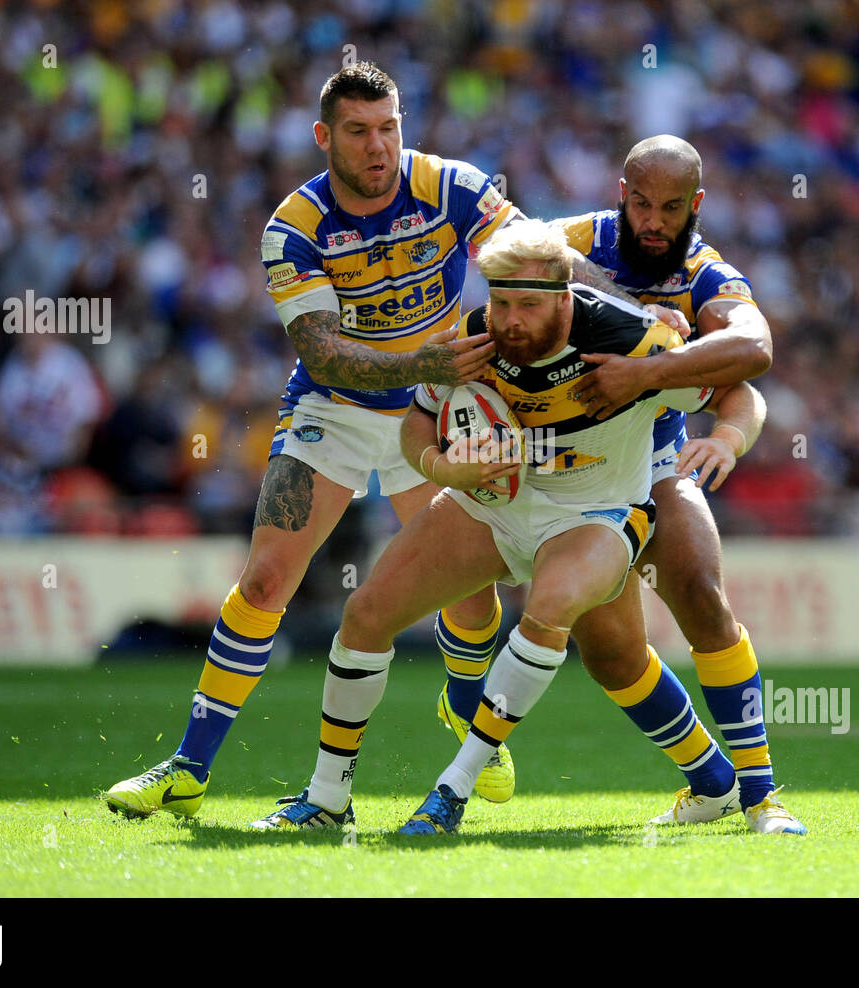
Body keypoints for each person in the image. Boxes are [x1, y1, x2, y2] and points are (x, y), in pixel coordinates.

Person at [251, 219, 768, 835]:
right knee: (364, 614)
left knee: (560, 621)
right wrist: (441, 466)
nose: (510, 320)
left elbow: (740, 392)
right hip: (494, 505)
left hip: (594, 514)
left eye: (527, 304)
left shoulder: (635, 340)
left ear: (565, 295)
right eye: (500, 301)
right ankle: (327, 798)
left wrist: (729, 442)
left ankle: (453, 790)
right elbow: (419, 422)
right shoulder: (475, 335)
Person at [102, 61, 519, 821]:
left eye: (389, 128)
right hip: (336, 405)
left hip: (433, 407)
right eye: (358, 132)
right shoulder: (293, 227)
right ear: (325, 137)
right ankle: (189, 768)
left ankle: (467, 712)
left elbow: (530, 255)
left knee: (468, 592)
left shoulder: (453, 186)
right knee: (265, 579)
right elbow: (322, 351)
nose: (378, 147)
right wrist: (421, 358)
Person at [554, 135, 804, 833]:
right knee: (610, 653)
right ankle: (711, 779)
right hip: (565, 471)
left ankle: (762, 798)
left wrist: (719, 432)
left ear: (695, 205)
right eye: (641, 203)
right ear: (621, 192)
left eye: (670, 207)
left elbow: (752, 357)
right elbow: (511, 251)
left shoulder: (704, 274)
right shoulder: (576, 238)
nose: (654, 221)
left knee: (700, 592)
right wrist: (630, 317)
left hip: (653, 461)